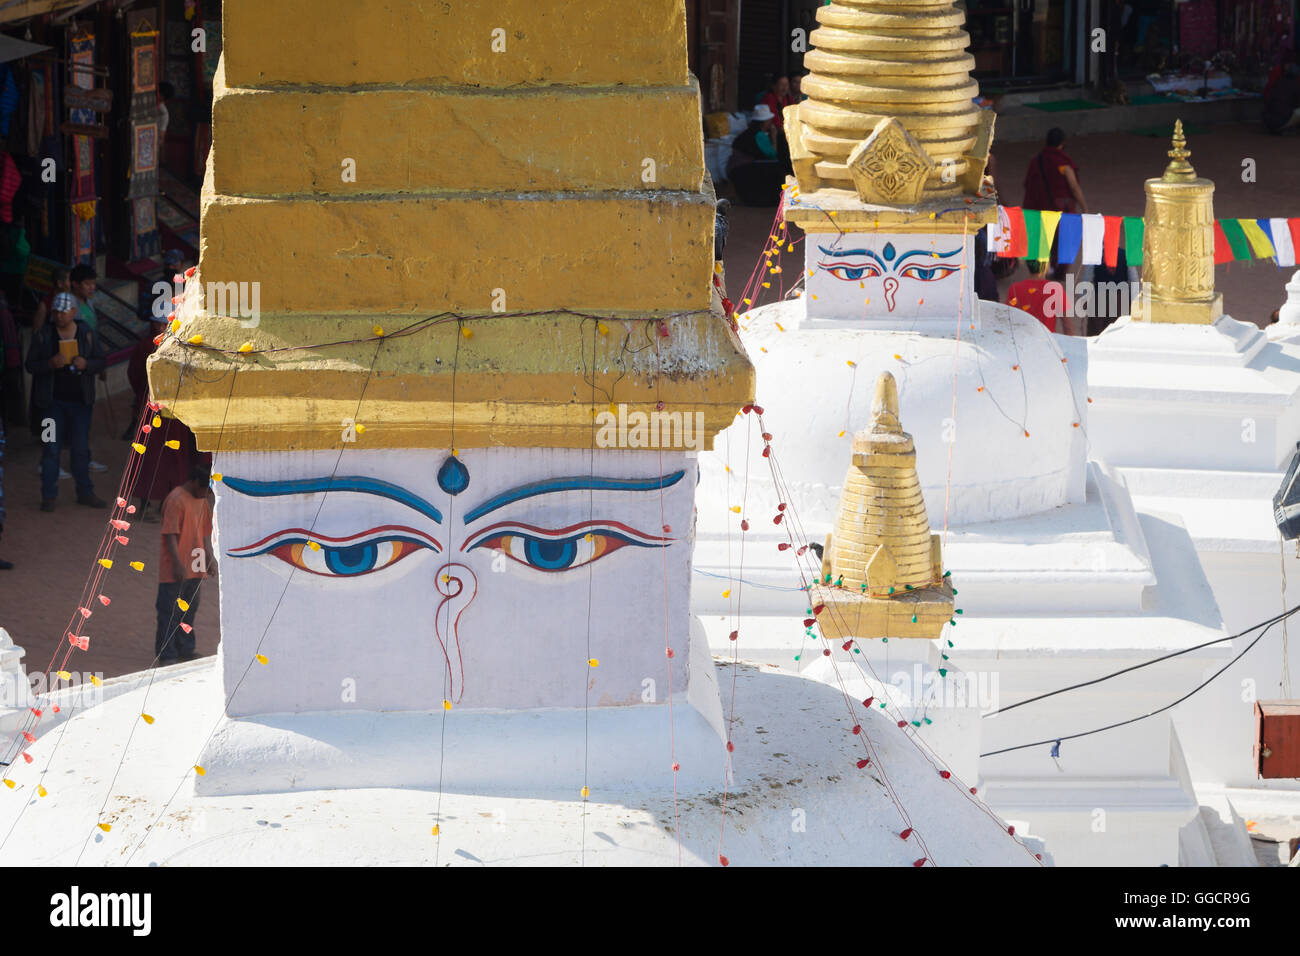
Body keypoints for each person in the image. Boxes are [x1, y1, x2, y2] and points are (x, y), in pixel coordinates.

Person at [25, 291, 106, 510]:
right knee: (50, 448)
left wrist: (86, 365)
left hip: (81, 405)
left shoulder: (87, 333)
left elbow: (101, 360)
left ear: (73, 311)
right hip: (50, 406)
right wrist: (49, 364)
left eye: (64, 311)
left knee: (80, 449)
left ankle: (85, 492)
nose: (60, 316)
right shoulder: (44, 334)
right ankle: (48, 496)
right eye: (56, 312)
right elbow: (30, 365)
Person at [155, 457, 214, 664]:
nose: (207, 494)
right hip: (177, 568)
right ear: (196, 482)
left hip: (196, 565)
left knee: (188, 612)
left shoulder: (202, 501)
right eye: (205, 489)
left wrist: (210, 557)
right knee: (169, 612)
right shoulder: (175, 500)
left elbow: (205, 533)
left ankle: (185, 650)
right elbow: (169, 534)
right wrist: (177, 564)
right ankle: (167, 654)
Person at [1023, 128, 1088, 282]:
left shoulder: (1037, 160)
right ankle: (1057, 273)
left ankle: (1041, 271)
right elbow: (1073, 187)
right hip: (1060, 209)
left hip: (1038, 207)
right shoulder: (1063, 163)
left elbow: (1029, 185)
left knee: (1043, 240)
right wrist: (1084, 207)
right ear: (1062, 143)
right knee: (1063, 241)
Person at [727, 104, 785, 206]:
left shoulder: (748, 133)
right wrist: (774, 137)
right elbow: (772, 155)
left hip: (735, 169)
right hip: (745, 170)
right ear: (764, 122)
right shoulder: (760, 135)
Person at [1006, 277, 1075, 335]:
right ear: (1046, 266)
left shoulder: (1015, 288)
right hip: (1047, 342)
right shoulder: (1055, 289)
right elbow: (1067, 326)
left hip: (1021, 340)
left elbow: (1006, 316)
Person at [1263, 62, 1300, 135]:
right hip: (1280, 121)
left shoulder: (1278, 82)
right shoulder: (1295, 85)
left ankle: (1281, 127)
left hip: (1268, 121)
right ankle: (1285, 128)